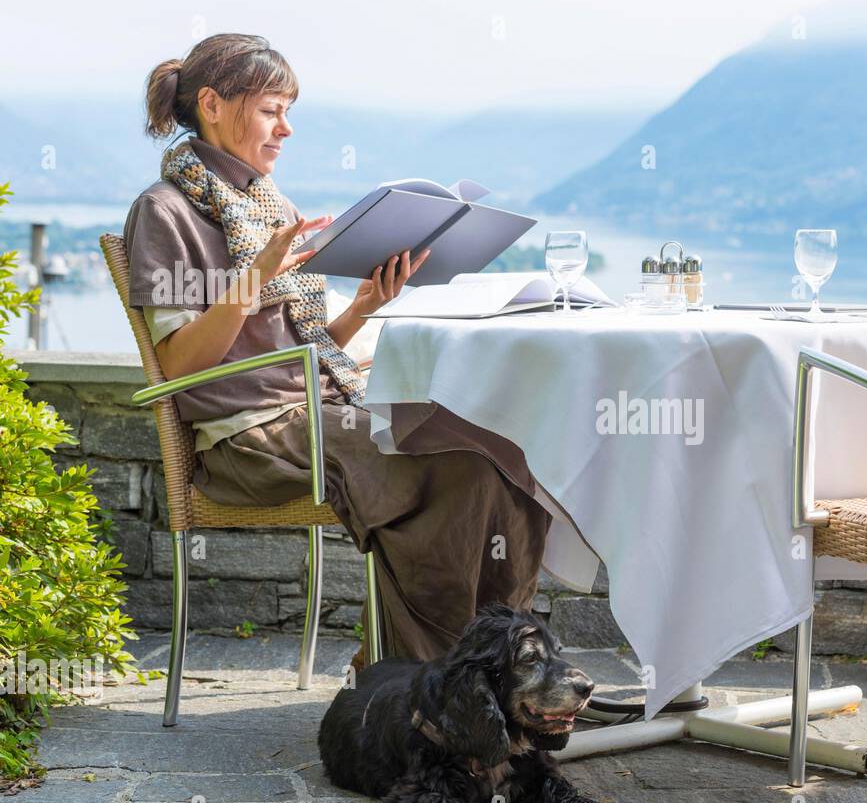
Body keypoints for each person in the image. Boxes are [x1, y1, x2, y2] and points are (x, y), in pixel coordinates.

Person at [124, 33, 551, 664]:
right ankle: (425, 673)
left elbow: (299, 347)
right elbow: (181, 368)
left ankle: (496, 661)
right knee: (456, 465)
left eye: (286, 111)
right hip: (251, 439)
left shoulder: (267, 205)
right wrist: (253, 279)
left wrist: (361, 309)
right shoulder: (164, 212)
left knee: (505, 452)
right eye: (271, 109)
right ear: (212, 105)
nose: (286, 129)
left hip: (313, 411)